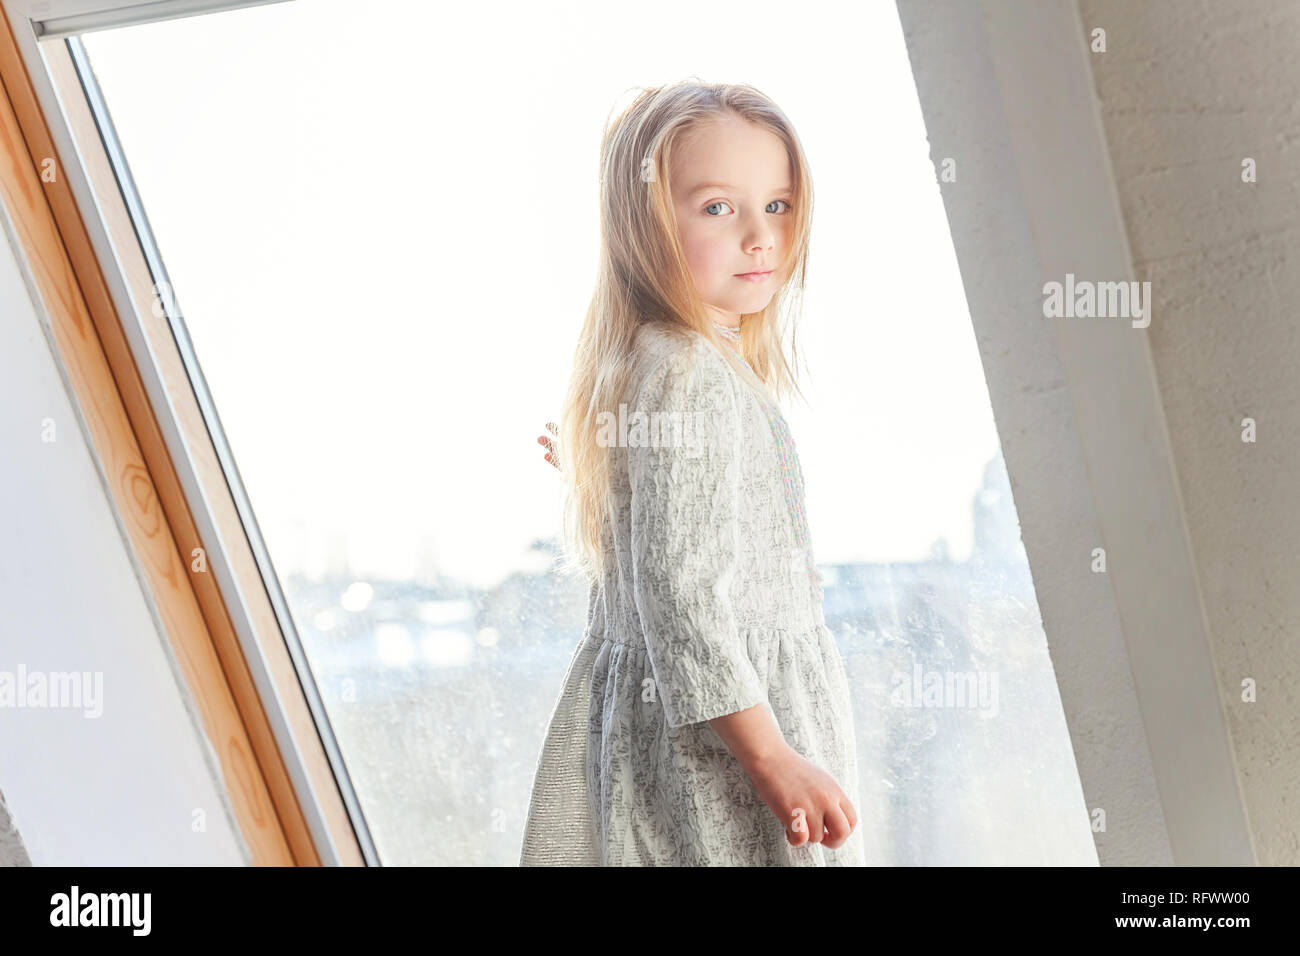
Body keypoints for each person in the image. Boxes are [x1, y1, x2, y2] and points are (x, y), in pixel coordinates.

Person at [520, 78, 864, 866]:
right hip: (721, 749)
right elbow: (682, 595)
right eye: (718, 207)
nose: (760, 236)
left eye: (777, 205)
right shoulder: (689, 376)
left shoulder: (654, 366)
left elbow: (665, 527)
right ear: (644, 225)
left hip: (686, 733)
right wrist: (773, 757)